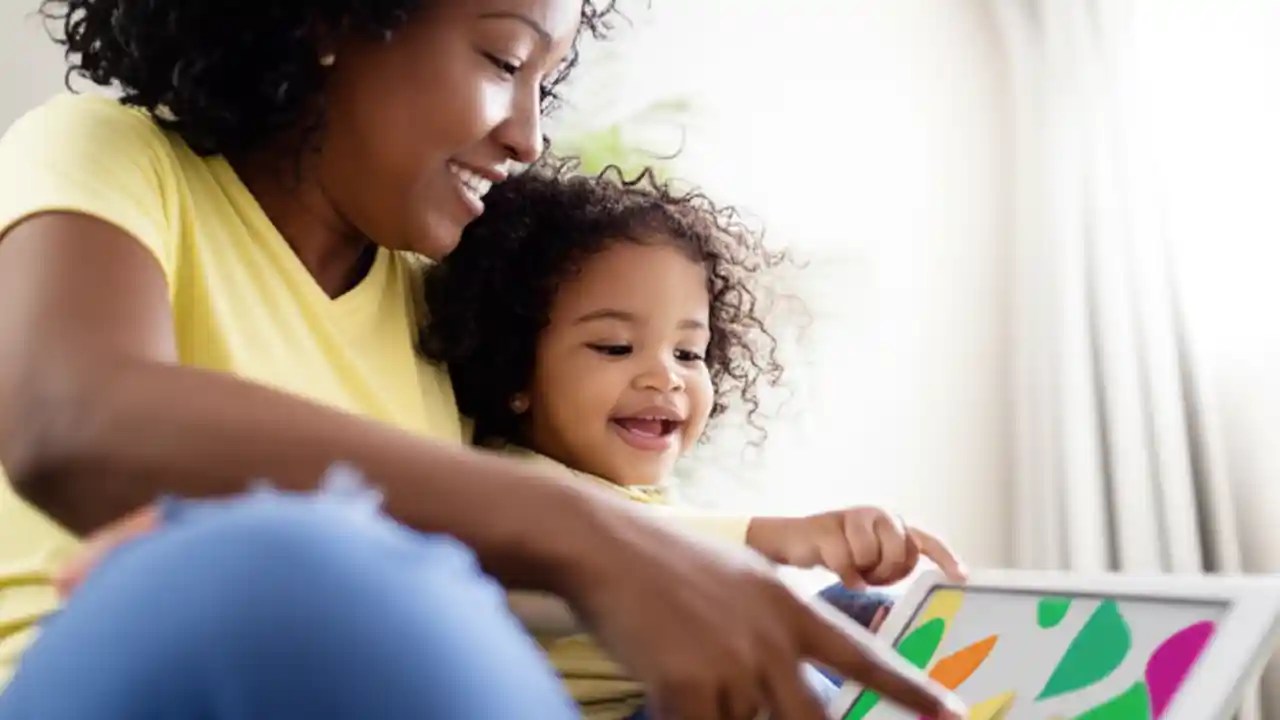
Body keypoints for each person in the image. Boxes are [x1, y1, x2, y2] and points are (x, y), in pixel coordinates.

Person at [0, 0, 967, 718]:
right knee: (277, 562)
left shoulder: (441, 308)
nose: (528, 134)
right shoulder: (117, 156)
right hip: (108, 677)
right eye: (504, 59)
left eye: (547, 84)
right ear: (334, 16)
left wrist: (770, 576)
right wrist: (566, 532)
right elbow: (71, 415)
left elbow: (540, 539)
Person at [419, 160, 962, 718]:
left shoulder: (654, 504)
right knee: (765, 688)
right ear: (515, 371)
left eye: (688, 353)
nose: (666, 377)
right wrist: (771, 536)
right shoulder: (510, 481)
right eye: (614, 347)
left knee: (861, 611)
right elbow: (618, 546)